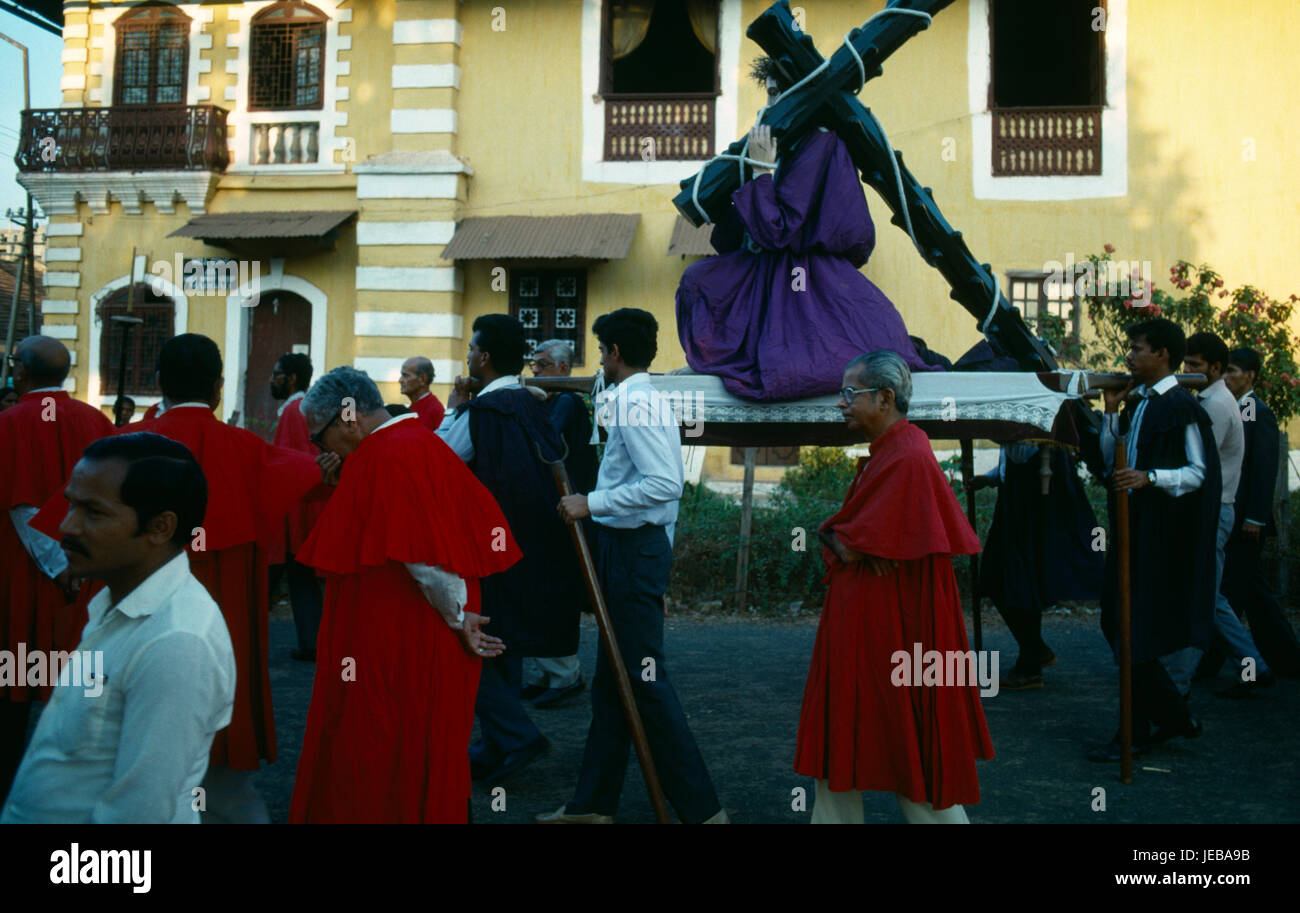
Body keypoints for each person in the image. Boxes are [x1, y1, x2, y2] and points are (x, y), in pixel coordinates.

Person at [31, 334, 324, 821]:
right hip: (216, 617)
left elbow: (63, 526)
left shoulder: (123, 451)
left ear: (159, 382)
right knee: (222, 779)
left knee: (110, 740)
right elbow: (308, 474)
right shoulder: (245, 449)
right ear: (217, 387)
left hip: (133, 612)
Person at [289, 367, 519, 823]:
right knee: (401, 743)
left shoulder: (391, 453)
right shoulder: (408, 443)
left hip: (401, 628)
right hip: (402, 621)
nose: (321, 448)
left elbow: (425, 559)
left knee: (387, 739)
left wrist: (460, 617)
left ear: (348, 419)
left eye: (320, 437)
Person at [542, 308, 726, 825]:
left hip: (633, 550)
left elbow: (666, 485)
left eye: (601, 350)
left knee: (643, 679)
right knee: (612, 679)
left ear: (614, 352)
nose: (600, 359)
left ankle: (704, 811)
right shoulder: (632, 397)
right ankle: (593, 805)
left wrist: (590, 504)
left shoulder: (638, 402)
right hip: (629, 550)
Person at [794, 350, 992, 824]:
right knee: (854, 730)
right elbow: (849, 538)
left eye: (849, 393)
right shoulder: (895, 450)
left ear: (885, 398)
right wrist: (838, 535)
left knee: (909, 738)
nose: (840, 403)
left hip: (894, 624)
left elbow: (849, 545)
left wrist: (833, 534)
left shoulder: (906, 455)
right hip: (875, 619)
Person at [1, 434, 235, 823]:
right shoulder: (117, 602)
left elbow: (138, 814)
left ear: (160, 527)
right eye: (71, 506)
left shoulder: (177, 642)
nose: (66, 526)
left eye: (93, 513)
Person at [674, 57, 936, 402]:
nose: (770, 104)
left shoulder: (820, 141)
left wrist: (760, 173)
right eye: (768, 93)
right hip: (767, 266)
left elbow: (781, 230)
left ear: (800, 93)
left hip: (804, 267)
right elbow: (743, 233)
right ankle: (714, 362)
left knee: (803, 351)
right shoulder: (785, 142)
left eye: (779, 93)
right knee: (698, 281)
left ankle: (749, 365)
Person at [438, 316, 582, 785]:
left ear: (483, 356)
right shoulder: (533, 404)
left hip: (490, 548)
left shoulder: (482, 412)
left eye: (472, 348)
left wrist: (453, 407)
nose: (467, 356)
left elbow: (437, 460)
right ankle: (495, 744)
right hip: (533, 544)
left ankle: (517, 736)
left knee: (472, 643)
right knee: (504, 643)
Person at [1090, 318, 1219, 762]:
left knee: (1132, 628)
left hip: (1159, 535)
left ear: (1162, 354)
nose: (1129, 355)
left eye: (1137, 348)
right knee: (1120, 623)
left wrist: (1151, 477)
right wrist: (1110, 411)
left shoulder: (1182, 407)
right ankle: (1170, 715)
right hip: (1132, 529)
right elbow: (1111, 460)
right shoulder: (1136, 404)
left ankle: (1138, 727)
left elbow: (1198, 472)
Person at [0, 336, 114, 804]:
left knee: (11, 689)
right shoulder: (97, 422)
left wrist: (56, 563)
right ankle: (72, 791)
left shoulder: (8, 423)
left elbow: (19, 504)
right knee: (75, 688)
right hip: (88, 577)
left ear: (22, 373)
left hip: (21, 577)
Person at [1166, 332, 1271, 697]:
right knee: (1209, 597)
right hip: (1213, 509)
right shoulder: (1213, 399)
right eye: (1187, 364)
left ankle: (1185, 678)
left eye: (1195, 365)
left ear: (1216, 368)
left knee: (1205, 597)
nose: (1188, 371)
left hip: (1214, 510)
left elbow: (1196, 461)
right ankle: (1251, 665)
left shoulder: (1216, 404)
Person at [968, 442, 1103, 690]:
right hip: (1016, 502)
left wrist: (999, 433)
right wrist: (987, 479)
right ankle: (1033, 652)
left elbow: (1021, 452)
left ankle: (1031, 657)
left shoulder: (1029, 423)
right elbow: (1012, 463)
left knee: (1015, 578)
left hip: (1031, 506)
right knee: (1000, 576)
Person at [522, 339, 594, 709]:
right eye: (534, 363)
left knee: (556, 597)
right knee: (539, 595)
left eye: (543, 364)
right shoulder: (552, 400)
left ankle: (565, 675)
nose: (535, 369)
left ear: (563, 369)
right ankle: (549, 673)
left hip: (566, 516)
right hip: (553, 514)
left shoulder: (566, 402)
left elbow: (543, 439)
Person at [1219, 348, 1300, 678]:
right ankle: (1287, 659)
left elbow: (1263, 470)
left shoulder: (1254, 411)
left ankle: (1226, 663)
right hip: (1236, 518)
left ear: (1250, 375)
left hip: (1246, 521)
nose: (1226, 378)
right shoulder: (1235, 408)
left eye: (1233, 371)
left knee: (1232, 594)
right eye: (1223, 371)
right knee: (1253, 594)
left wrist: (1256, 517)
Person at [268, 352, 326, 662]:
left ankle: (311, 641)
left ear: (291, 379)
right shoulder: (306, 408)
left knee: (294, 576)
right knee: (304, 580)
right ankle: (312, 640)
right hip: (310, 506)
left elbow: (288, 464)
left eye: (277, 374)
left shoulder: (293, 411)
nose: (271, 379)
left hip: (297, 509)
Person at [400, 355, 446, 431]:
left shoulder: (434, 410)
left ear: (422, 379)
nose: (400, 380)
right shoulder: (418, 405)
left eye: (406, 376)